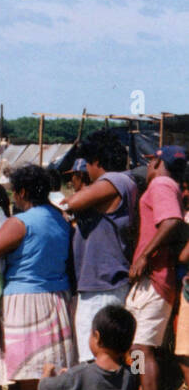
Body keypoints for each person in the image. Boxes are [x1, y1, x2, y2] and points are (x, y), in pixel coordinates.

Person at [0, 164, 77, 390]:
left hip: (24, 298)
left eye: (15, 193)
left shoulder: (20, 222)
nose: (14, 198)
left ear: (23, 191)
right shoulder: (60, 219)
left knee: (27, 366)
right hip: (56, 295)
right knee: (50, 362)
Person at [122, 145, 185, 390]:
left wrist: (145, 255)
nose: (148, 169)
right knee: (138, 347)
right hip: (153, 278)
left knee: (141, 348)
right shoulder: (170, 185)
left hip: (155, 276)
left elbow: (171, 221)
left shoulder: (160, 184)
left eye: (150, 163)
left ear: (158, 162)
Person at [61, 131, 138, 363]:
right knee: (111, 351)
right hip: (103, 282)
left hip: (103, 283)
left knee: (95, 353)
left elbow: (71, 203)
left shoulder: (114, 180)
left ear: (96, 162)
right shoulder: (126, 182)